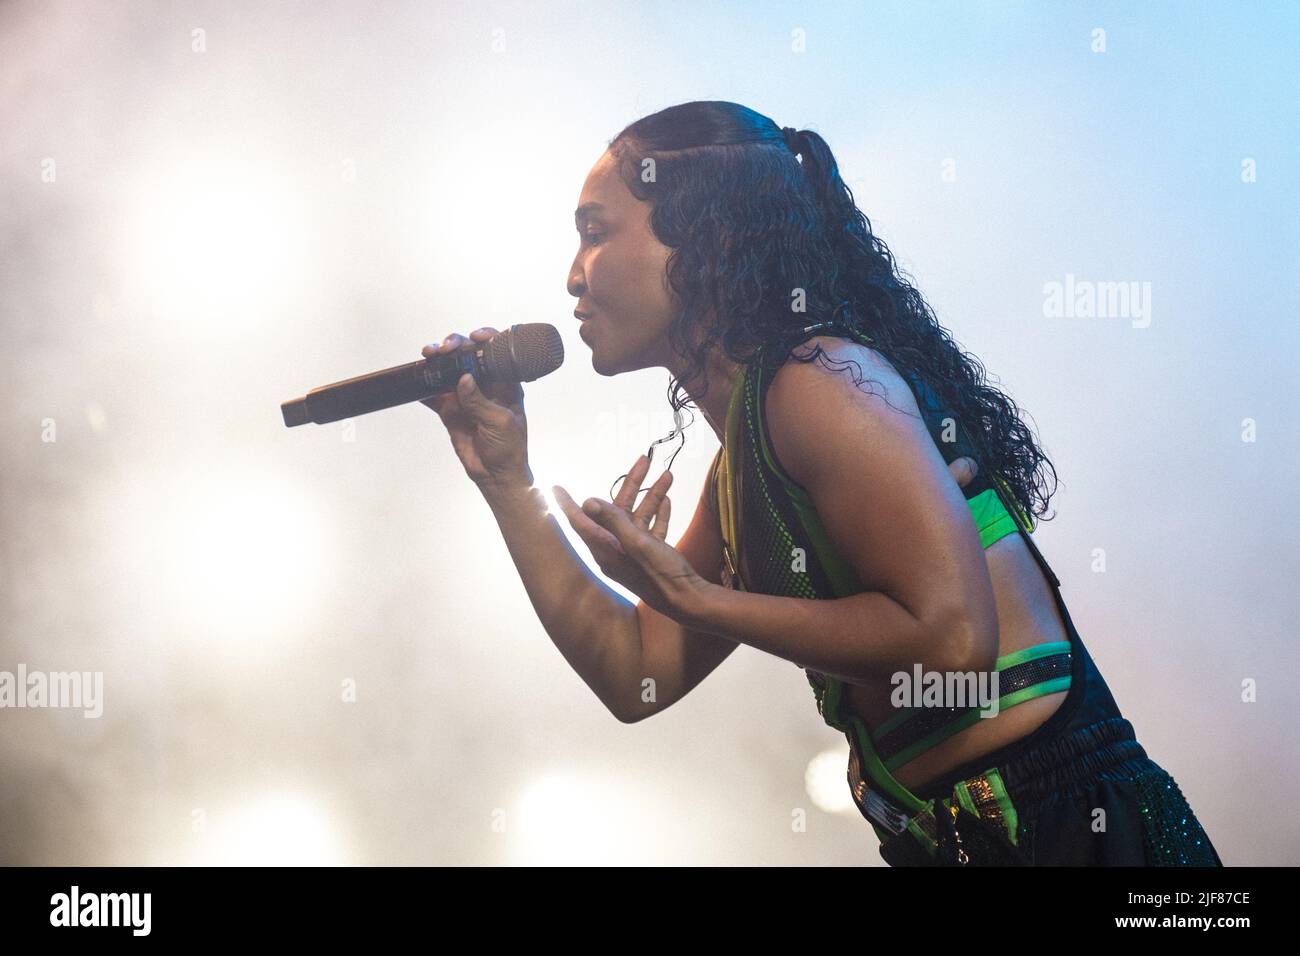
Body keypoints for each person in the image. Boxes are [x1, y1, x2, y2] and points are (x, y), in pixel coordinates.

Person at [421, 100, 1222, 866]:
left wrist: (694, 597)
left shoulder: (818, 383)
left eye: (595, 234)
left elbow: (953, 646)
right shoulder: (750, 450)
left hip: (1074, 831)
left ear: (706, 233)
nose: (572, 276)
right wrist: (506, 479)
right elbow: (638, 670)